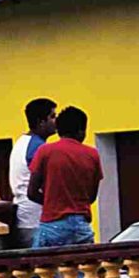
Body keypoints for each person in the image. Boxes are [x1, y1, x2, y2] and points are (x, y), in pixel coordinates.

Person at [27, 106, 103, 249]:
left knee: (42, 268)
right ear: (81, 130)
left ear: (59, 129)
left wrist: (52, 201)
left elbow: (31, 192)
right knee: (83, 269)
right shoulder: (92, 154)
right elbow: (92, 196)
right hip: (81, 226)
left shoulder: (45, 151)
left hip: (53, 224)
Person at [8, 97, 59, 244]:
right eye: (52, 117)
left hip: (25, 218)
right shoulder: (37, 147)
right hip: (35, 219)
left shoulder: (22, 142)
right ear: (41, 122)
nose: (56, 121)